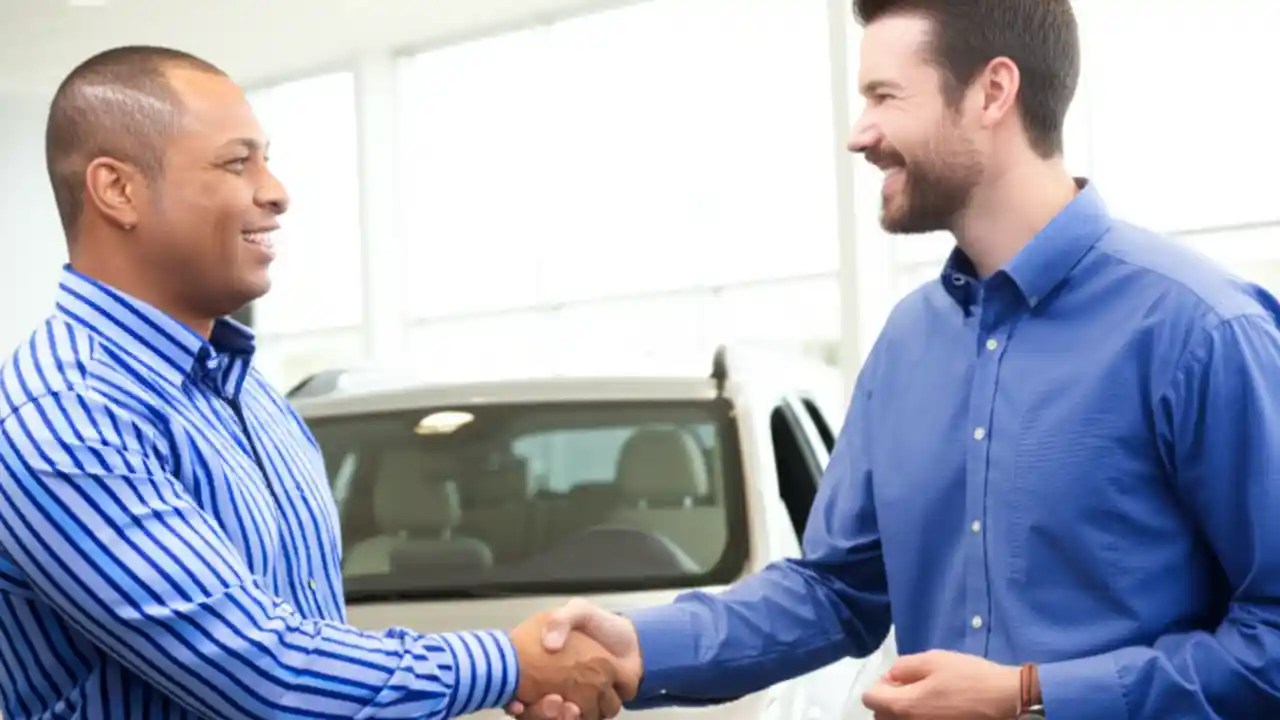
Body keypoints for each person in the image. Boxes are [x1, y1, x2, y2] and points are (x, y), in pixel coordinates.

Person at [512, 0, 1280, 718]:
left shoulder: (1202, 330)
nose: (860, 132)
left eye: (885, 96)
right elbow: (835, 592)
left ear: (992, 92)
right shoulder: (910, 342)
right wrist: (640, 647)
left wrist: (1029, 695)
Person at [0, 45, 636, 719]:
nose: (275, 191)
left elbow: (318, 655)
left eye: (265, 159)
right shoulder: (68, 413)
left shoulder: (249, 395)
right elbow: (268, 676)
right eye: (236, 162)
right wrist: (512, 666)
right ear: (118, 190)